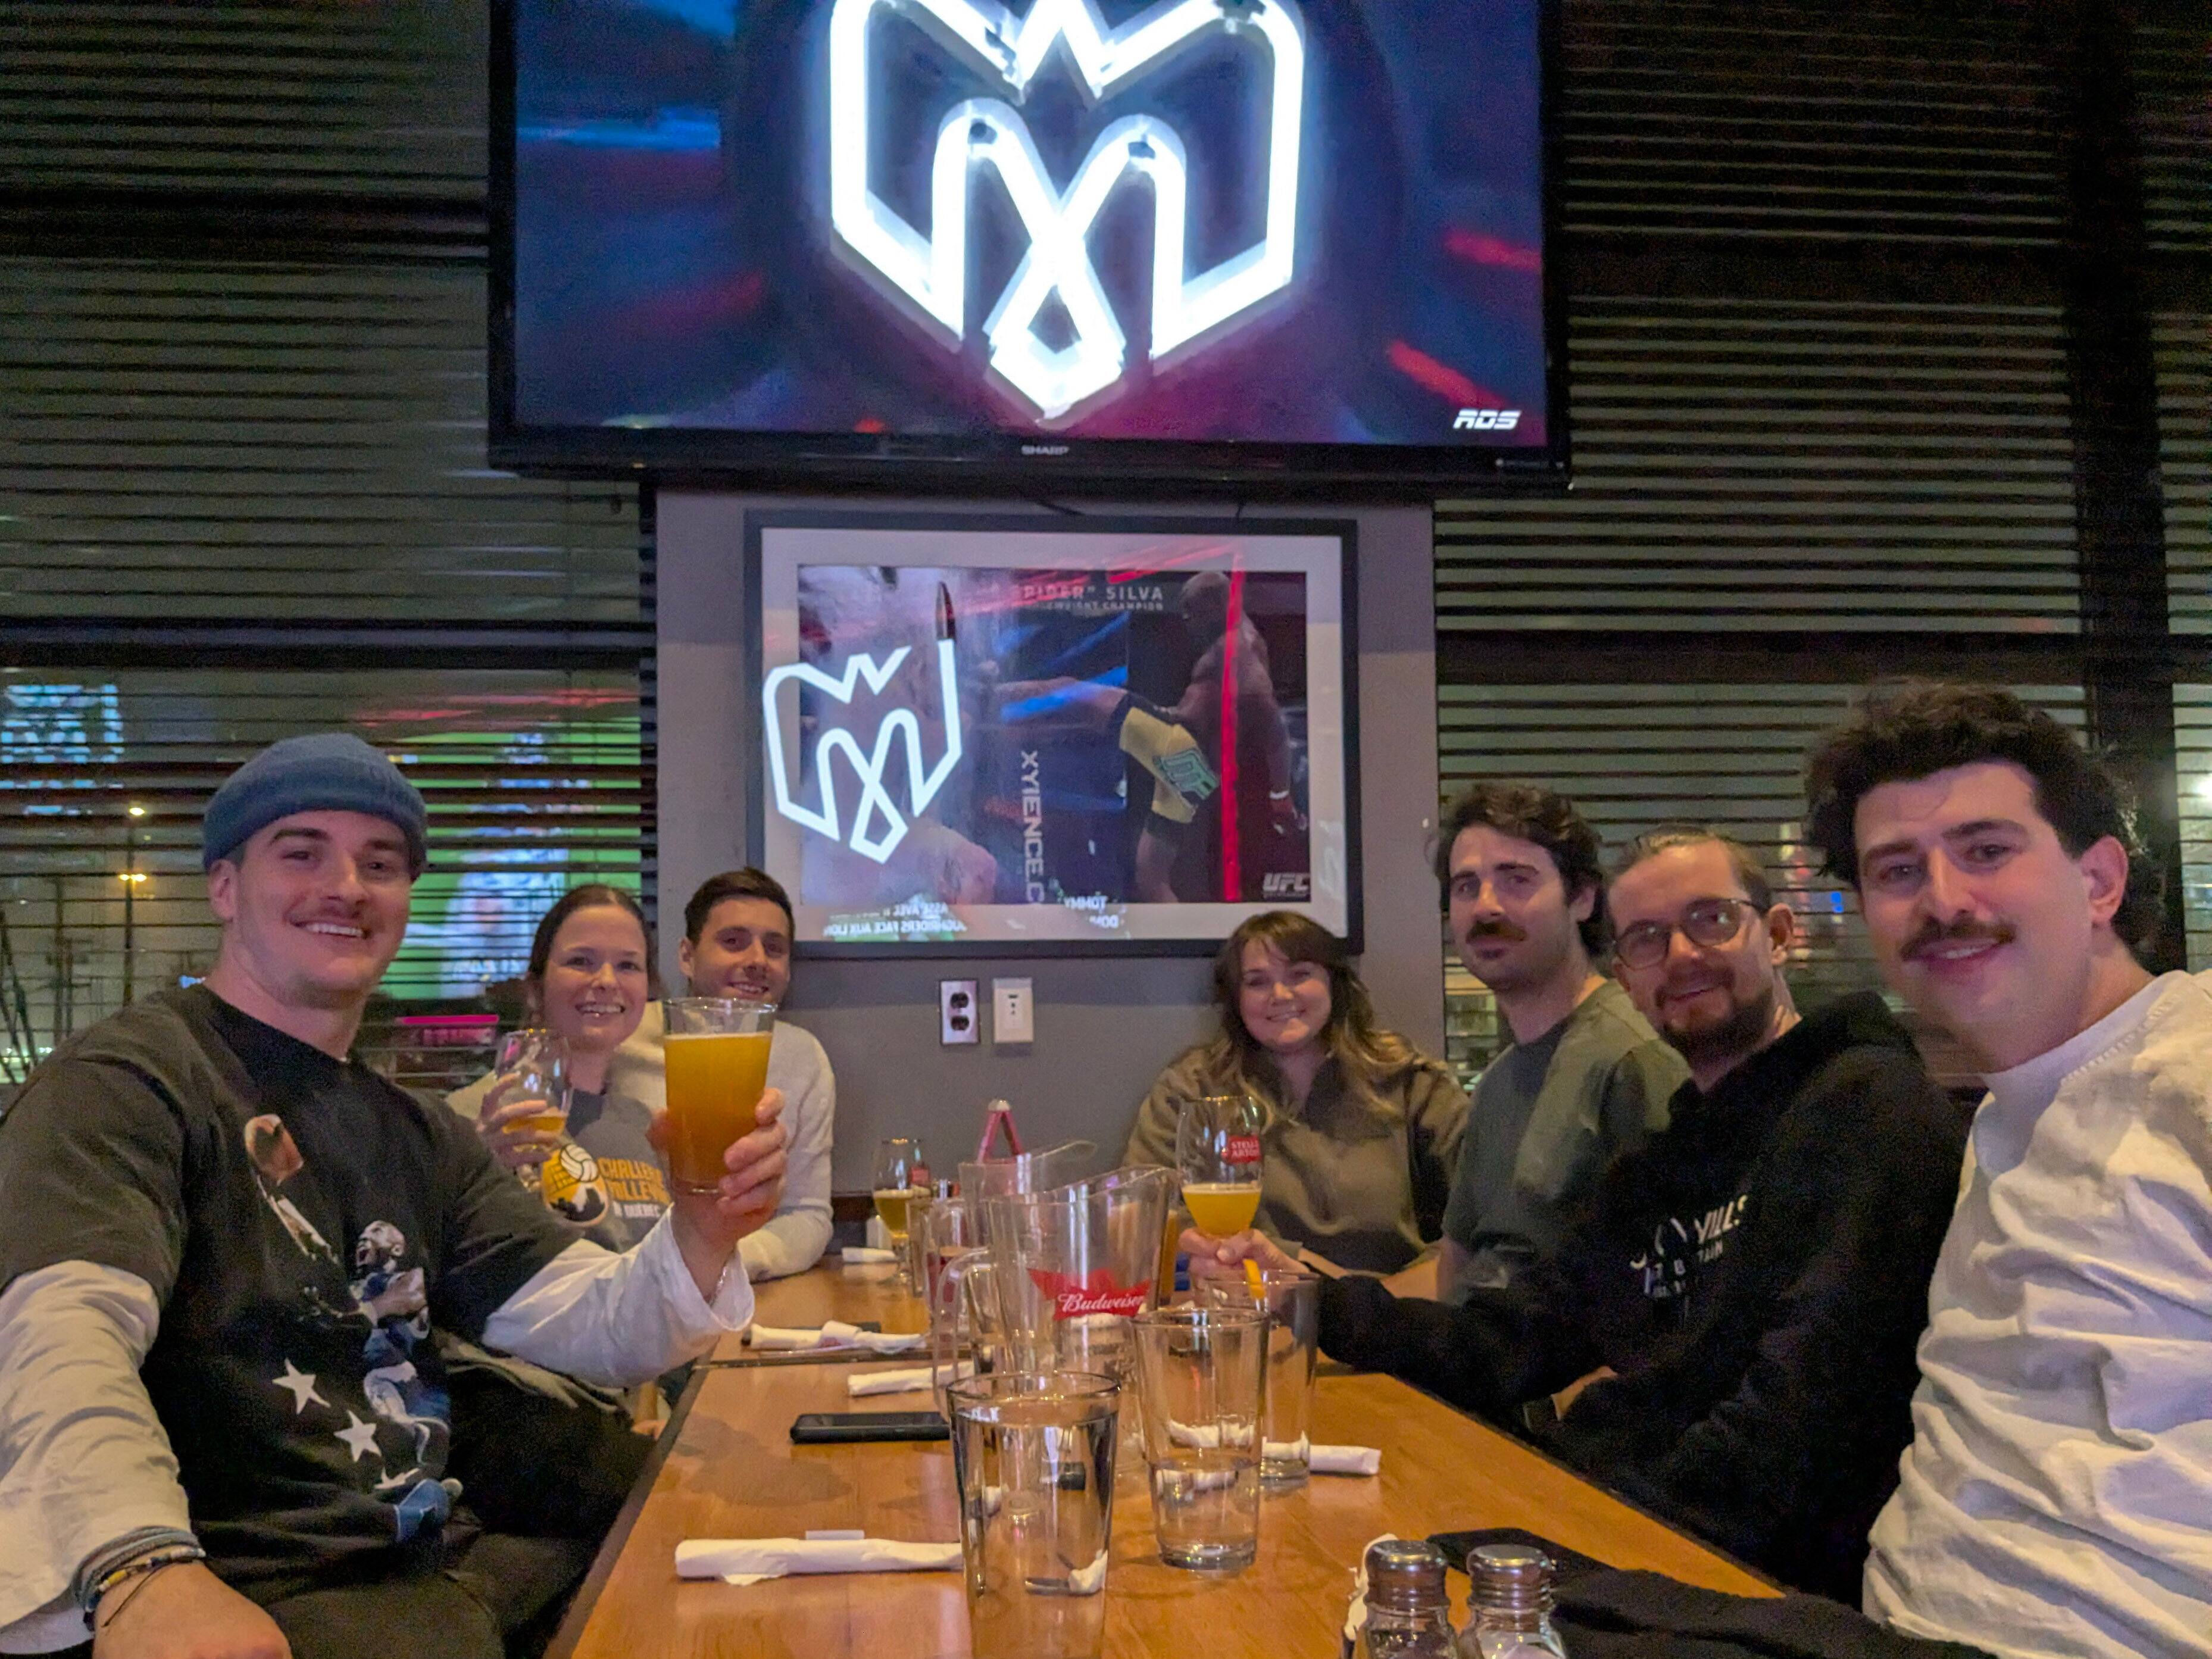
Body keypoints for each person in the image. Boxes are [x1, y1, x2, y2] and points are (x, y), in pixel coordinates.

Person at [0, 733, 788, 1659]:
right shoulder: (130, 1079)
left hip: (421, 1555)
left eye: (380, 863)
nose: (346, 885)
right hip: (250, 1581)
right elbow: (57, 1337)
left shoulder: (414, 1130)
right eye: (302, 852)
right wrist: (139, 1567)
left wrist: (704, 1230)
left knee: (713, 1557)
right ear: (223, 886)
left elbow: (595, 1318)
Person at [1189, 827, 1966, 1599]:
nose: (1684, 956)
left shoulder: (1868, 1106)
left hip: (1737, 1572)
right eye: (1649, 939)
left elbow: (1804, 1423)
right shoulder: (1662, 1165)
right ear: (1626, 975)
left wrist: (1582, 1529)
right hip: (1609, 1510)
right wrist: (1302, 1297)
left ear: (1779, 932)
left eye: (1713, 919)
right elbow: (1509, 1339)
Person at [1802, 683, 2212, 1656]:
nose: (1943, 900)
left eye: (1987, 851)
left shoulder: (2192, 1060)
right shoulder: (2000, 1118)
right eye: (1897, 870)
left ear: (2100, 879)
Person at [1431, 781, 1686, 1299]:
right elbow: (1459, 1265)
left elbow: (1679, 1290)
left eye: (1516, 880)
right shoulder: (1499, 1081)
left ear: (1584, 899)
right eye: (1465, 886)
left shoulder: (1633, 1057)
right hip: (1481, 1367)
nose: (1485, 907)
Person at [1123, 911, 1468, 1274]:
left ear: (1334, 984)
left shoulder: (1413, 1084)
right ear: (1236, 1000)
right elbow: (1140, 1215)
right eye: (1257, 982)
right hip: (1248, 1307)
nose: (1280, 995)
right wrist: (1189, 1245)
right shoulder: (1192, 1089)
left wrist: (1352, 1292)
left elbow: (1479, 1226)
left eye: (1299, 975)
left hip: (1392, 1315)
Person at [608, 868, 835, 1280]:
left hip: (744, 1302)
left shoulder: (804, 1056)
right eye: (733, 941)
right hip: (626, 1285)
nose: (756, 960)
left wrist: (720, 1263)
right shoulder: (621, 1038)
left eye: (774, 947)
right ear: (687, 956)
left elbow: (809, 1215)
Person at [449, 885, 666, 1251]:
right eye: (581, 961)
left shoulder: (644, 1124)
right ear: (535, 988)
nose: (607, 981)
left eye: (628, 965)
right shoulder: (470, 1119)